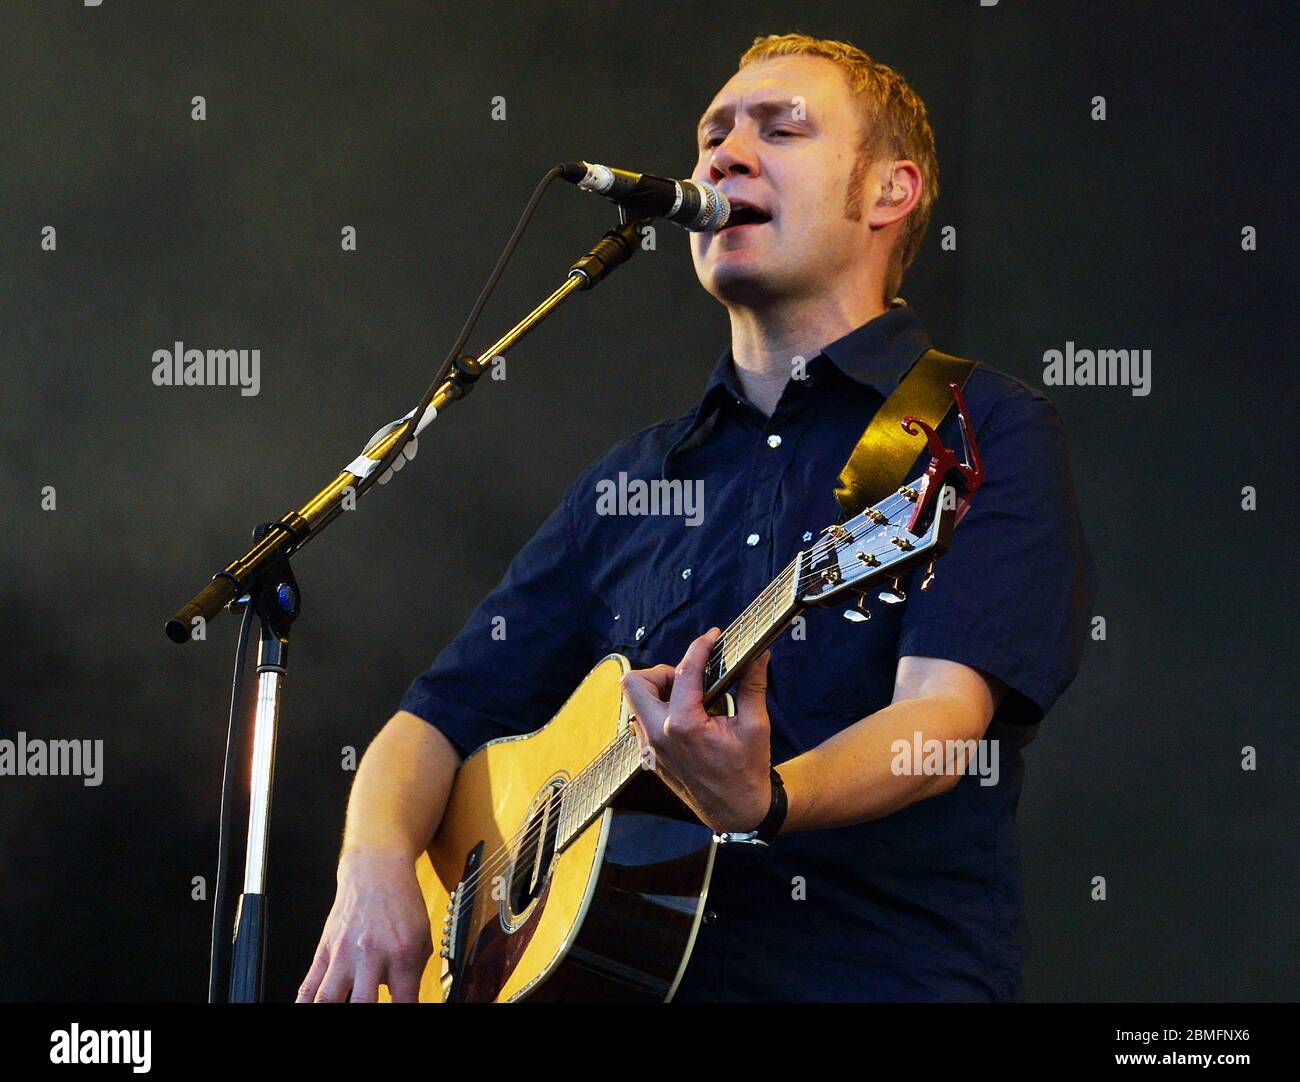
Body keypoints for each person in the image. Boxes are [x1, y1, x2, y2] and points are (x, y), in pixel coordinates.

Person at [299, 32, 1097, 1003]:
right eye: (712, 132)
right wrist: (374, 863)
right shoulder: (629, 479)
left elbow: (938, 721)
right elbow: (435, 720)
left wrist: (768, 800)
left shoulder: (977, 426)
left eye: (780, 128)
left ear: (890, 193)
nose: (721, 154)